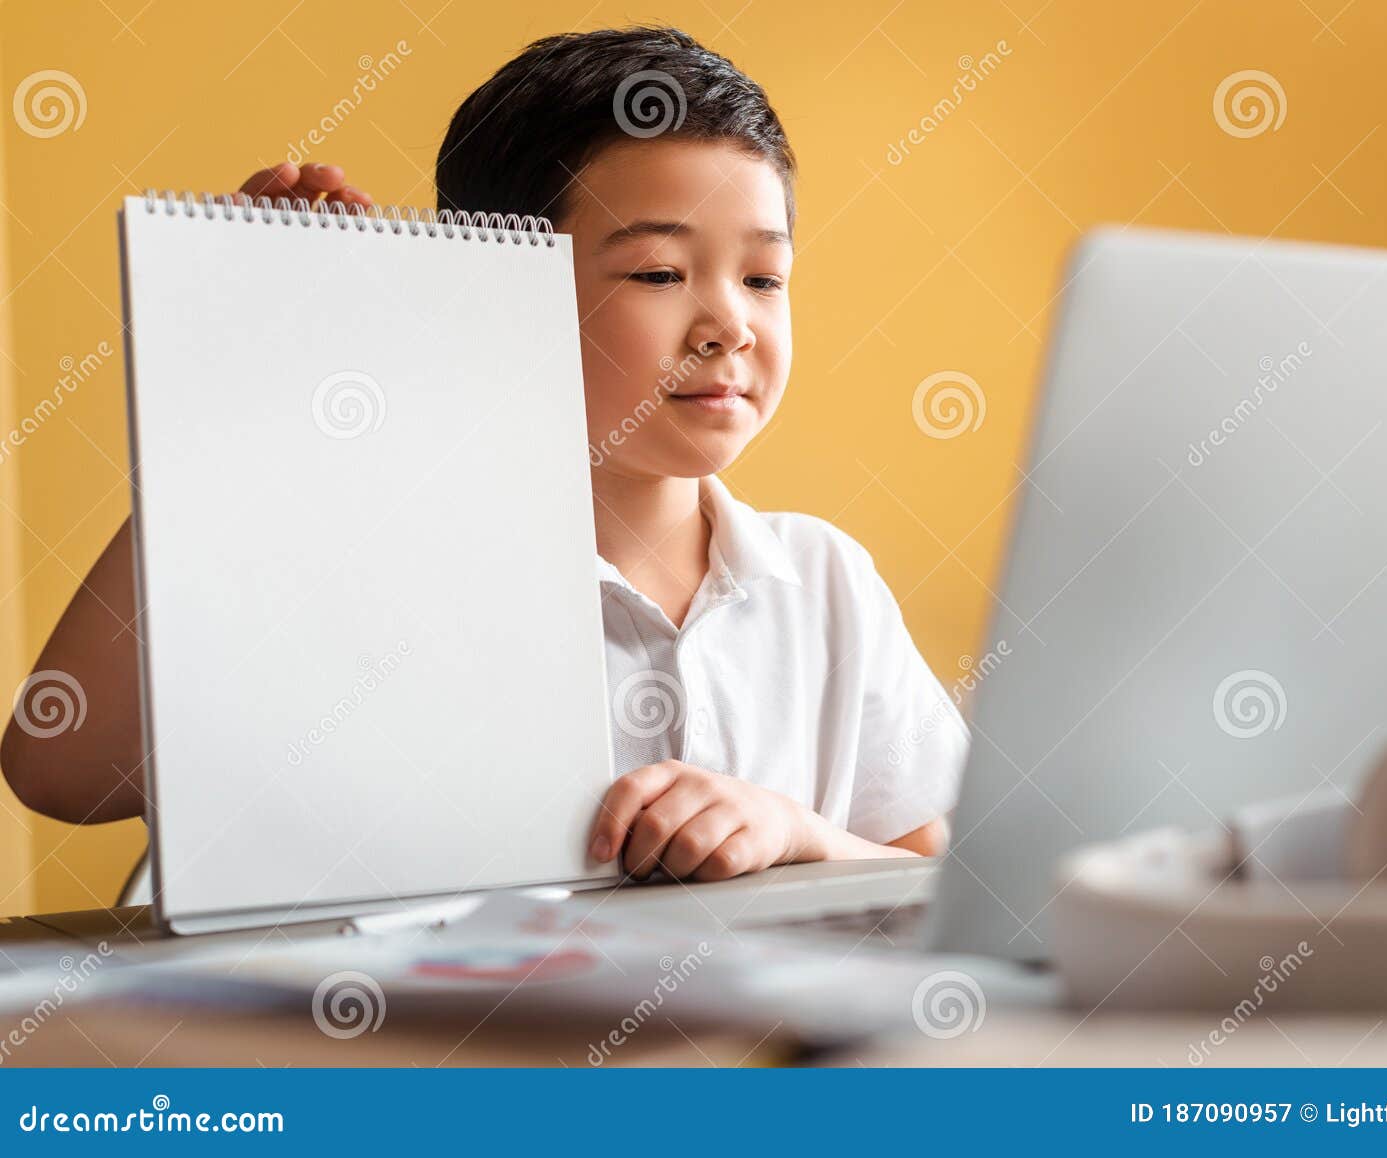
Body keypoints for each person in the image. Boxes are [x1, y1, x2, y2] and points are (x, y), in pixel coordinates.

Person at [1, 26, 969, 886]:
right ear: (490, 289)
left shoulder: (821, 581)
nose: (728, 323)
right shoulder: (359, 558)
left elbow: (945, 875)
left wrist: (798, 834)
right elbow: (63, 772)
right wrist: (261, 396)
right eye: (659, 273)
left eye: (765, 276)